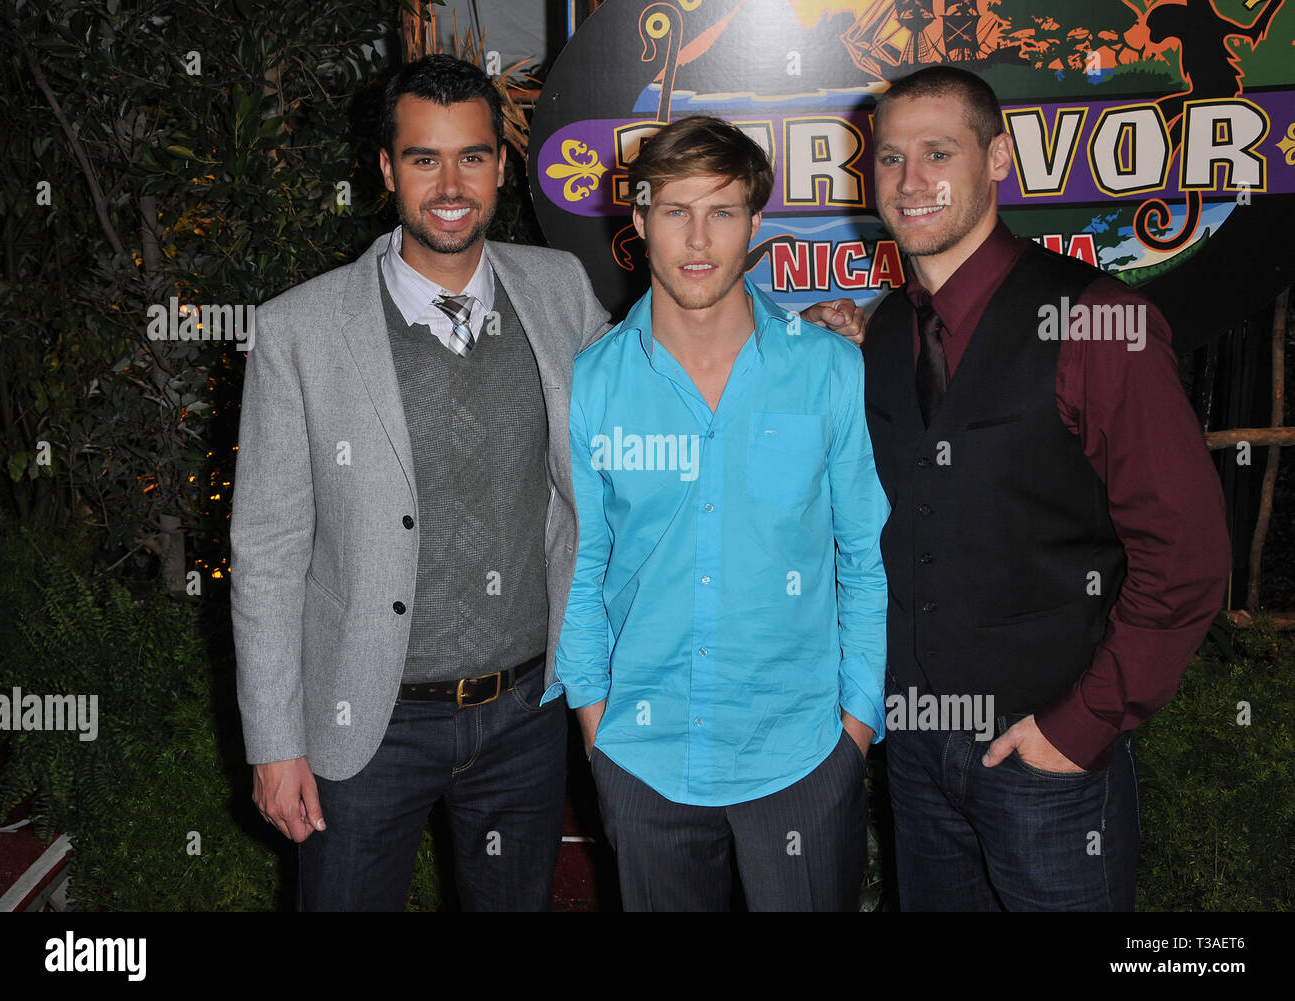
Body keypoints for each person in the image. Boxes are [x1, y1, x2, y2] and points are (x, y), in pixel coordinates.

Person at [232, 55, 865, 911]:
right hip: (367, 720)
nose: (451, 183)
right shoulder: (298, 330)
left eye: (474, 156)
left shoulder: (555, 289)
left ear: (503, 164)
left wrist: (813, 330)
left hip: (526, 716)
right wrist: (275, 742)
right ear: (386, 169)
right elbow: (266, 553)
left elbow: (678, 345)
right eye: (424, 158)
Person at [863, 65, 1231, 911]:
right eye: (889, 158)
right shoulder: (884, 330)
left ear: (997, 159)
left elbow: (1189, 558)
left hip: (1051, 768)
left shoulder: (1101, 324)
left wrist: (1082, 726)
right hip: (917, 758)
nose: (910, 181)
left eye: (937, 153)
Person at [545, 115, 890, 911]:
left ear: (755, 223)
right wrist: (599, 733)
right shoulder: (592, 384)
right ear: (638, 221)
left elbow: (863, 560)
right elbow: (581, 566)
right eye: (674, 211)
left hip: (802, 761)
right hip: (643, 759)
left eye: (723, 211)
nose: (698, 239)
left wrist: (855, 730)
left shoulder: (829, 369)